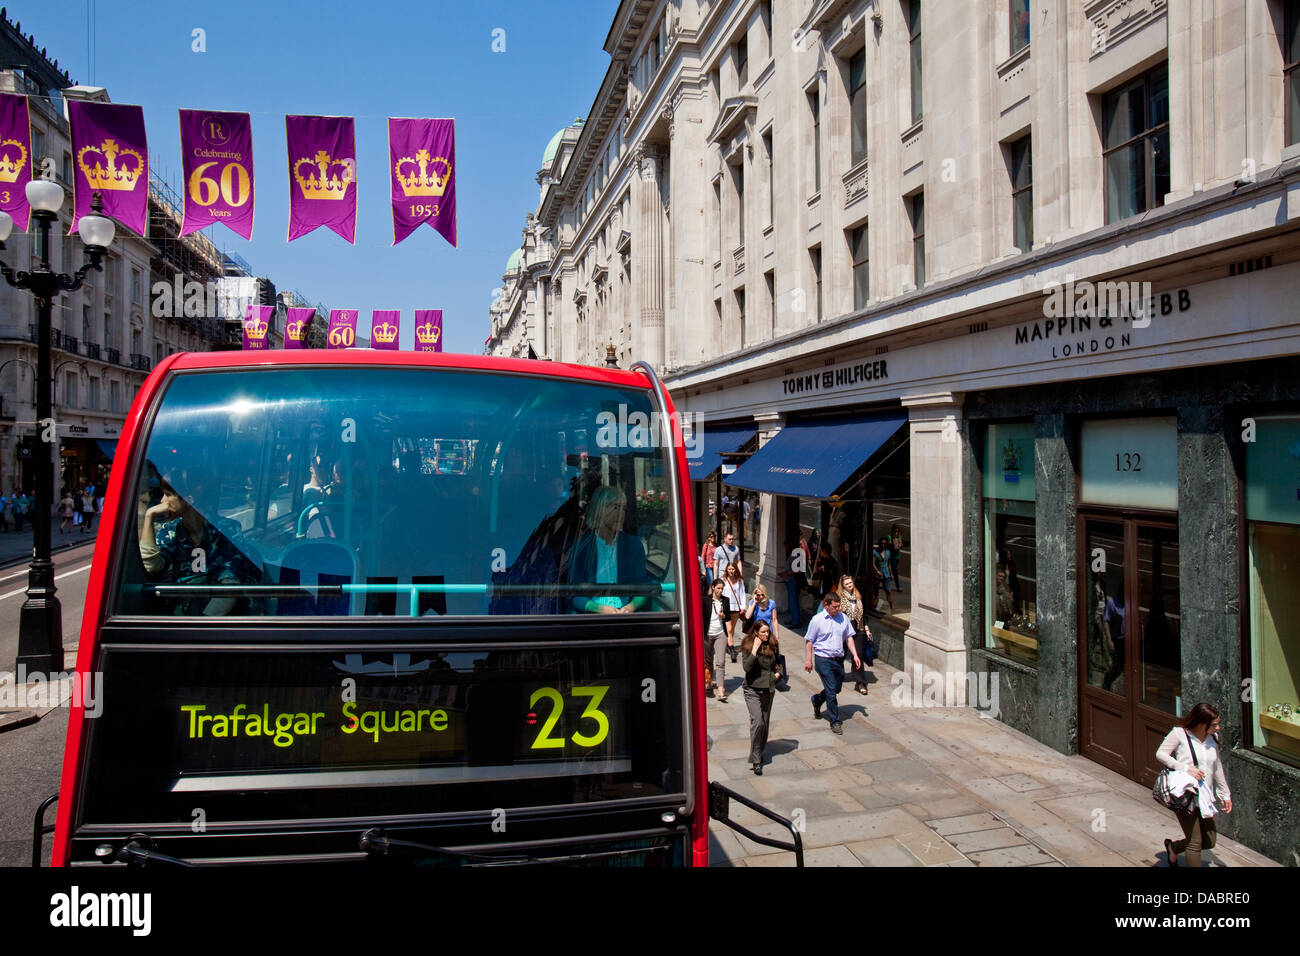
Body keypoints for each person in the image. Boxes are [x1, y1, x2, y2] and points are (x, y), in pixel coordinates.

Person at [140, 471, 252, 615]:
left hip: (217, 616)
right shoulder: (171, 530)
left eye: (168, 494)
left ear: (189, 500)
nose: (162, 501)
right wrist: (149, 517)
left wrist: (202, 625)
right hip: (185, 609)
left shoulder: (226, 530)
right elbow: (152, 566)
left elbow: (230, 582)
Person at [1157, 702, 1232, 868]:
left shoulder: (1213, 738)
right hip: (1186, 794)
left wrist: (1225, 794)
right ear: (1201, 723)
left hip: (1205, 795)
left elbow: (1217, 766)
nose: (1218, 728)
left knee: (1209, 840)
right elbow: (1161, 754)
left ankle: (1174, 847)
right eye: (1214, 724)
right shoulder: (1179, 734)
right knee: (1194, 842)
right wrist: (1185, 768)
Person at [568, 484, 651, 614]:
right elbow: (573, 593)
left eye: (623, 509)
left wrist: (630, 607)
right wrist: (599, 609)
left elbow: (643, 589)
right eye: (615, 507)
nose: (621, 514)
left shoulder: (634, 546)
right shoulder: (581, 547)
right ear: (599, 510)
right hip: (591, 617)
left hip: (626, 615)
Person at [804, 591, 861, 735]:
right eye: (835, 607)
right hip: (823, 659)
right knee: (831, 691)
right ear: (826, 605)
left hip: (838, 659)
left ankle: (817, 700)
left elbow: (849, 637)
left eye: (838, 606)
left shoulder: (843, 618)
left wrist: (855, 655)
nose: (838, 609)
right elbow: (809, 641)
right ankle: (835, 721)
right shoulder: (817, 620)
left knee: (836, 688)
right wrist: (808, 660)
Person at [741, 620, 781, 774]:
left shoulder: (773, 643)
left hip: (768, 688)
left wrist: (778, 674)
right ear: (756, 632)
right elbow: (746, 667)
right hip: (752, 689)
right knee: (757, 722)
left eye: (767, 631)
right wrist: (754, 650)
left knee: (764, 724)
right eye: (763, 632)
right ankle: (756, 759)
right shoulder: (748, 644)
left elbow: (779, 661)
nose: (766, 634)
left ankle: (759, 751)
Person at [743, 585, 787, 689]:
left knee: (773, 653)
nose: (760, 597)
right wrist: (754, 602)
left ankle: (773, 673)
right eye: (758, 594)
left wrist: (777, 635)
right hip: (757, 634)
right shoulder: (753, 603)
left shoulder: (771, 603)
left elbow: (774, 619)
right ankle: (759, 674)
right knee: (758, 653)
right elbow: (747, 616)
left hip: (768, 633)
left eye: (762, 594)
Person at [837, 575, 871, 694]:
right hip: (845, 631)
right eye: (846, 584)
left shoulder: (858, 597)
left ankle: (860, 682)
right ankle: (837, 675)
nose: (849, 585)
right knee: (841, 655)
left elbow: (863, 615)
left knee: (858, 656)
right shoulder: (840, 598)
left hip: (858, 630)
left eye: (850, 583)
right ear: (843, 586)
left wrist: (866, 629)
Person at [704, 578, 729, 701]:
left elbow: (728, 619)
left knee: (720, 662)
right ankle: (709, 682)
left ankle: (720, 688)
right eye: (718, 588)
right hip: (708, 634)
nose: (720, 590)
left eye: (722, 588)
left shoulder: (726, 600)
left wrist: (723, 616)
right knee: (708, 660)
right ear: (713, 587)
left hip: (720, 634)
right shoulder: (705, 600)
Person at [720, 560, 747, 663]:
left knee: (731, 628)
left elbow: (742, 594)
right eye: (729, 569)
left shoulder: (739, 581)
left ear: (735, 570)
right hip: (725, 608)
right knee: (729, 629)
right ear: (727, 569)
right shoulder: (723, 580)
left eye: (733, 569)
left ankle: (728, 644)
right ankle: (732, 650)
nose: (731, 571)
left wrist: (742, 607)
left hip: (736, 608)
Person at [1101, 589, 1126, 692]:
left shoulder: (1129, 602)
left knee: (1122, 665)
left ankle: (1112, 684)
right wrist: (1109, 640)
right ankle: (1107, 683)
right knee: (1117, 665)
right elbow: (1106, 621)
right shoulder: (1112, 602)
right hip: (1116, 639)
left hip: (1126, 639)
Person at [778, 539, 804, 629]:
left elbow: (795, 570)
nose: (785, 548)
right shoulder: (791, 555)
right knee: (791, 602)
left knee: (793, 602)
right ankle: (793, 619)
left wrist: (785, 573)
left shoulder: (795, 555)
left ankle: (796, 621)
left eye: (786, 546)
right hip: (789, 580)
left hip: (793, 581)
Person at [873, 537, 895, 614]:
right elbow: (873, 564)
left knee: (888, 590)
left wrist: (891, 573)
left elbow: (889, 564)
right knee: (876, 592)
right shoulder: (875, 552)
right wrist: (877, 571)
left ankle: (892, 607)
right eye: (882, 543)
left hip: (886, 574)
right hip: (878, 575)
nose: (883, 545)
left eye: (885, 543)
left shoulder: (888, 552)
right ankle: (874, 607)